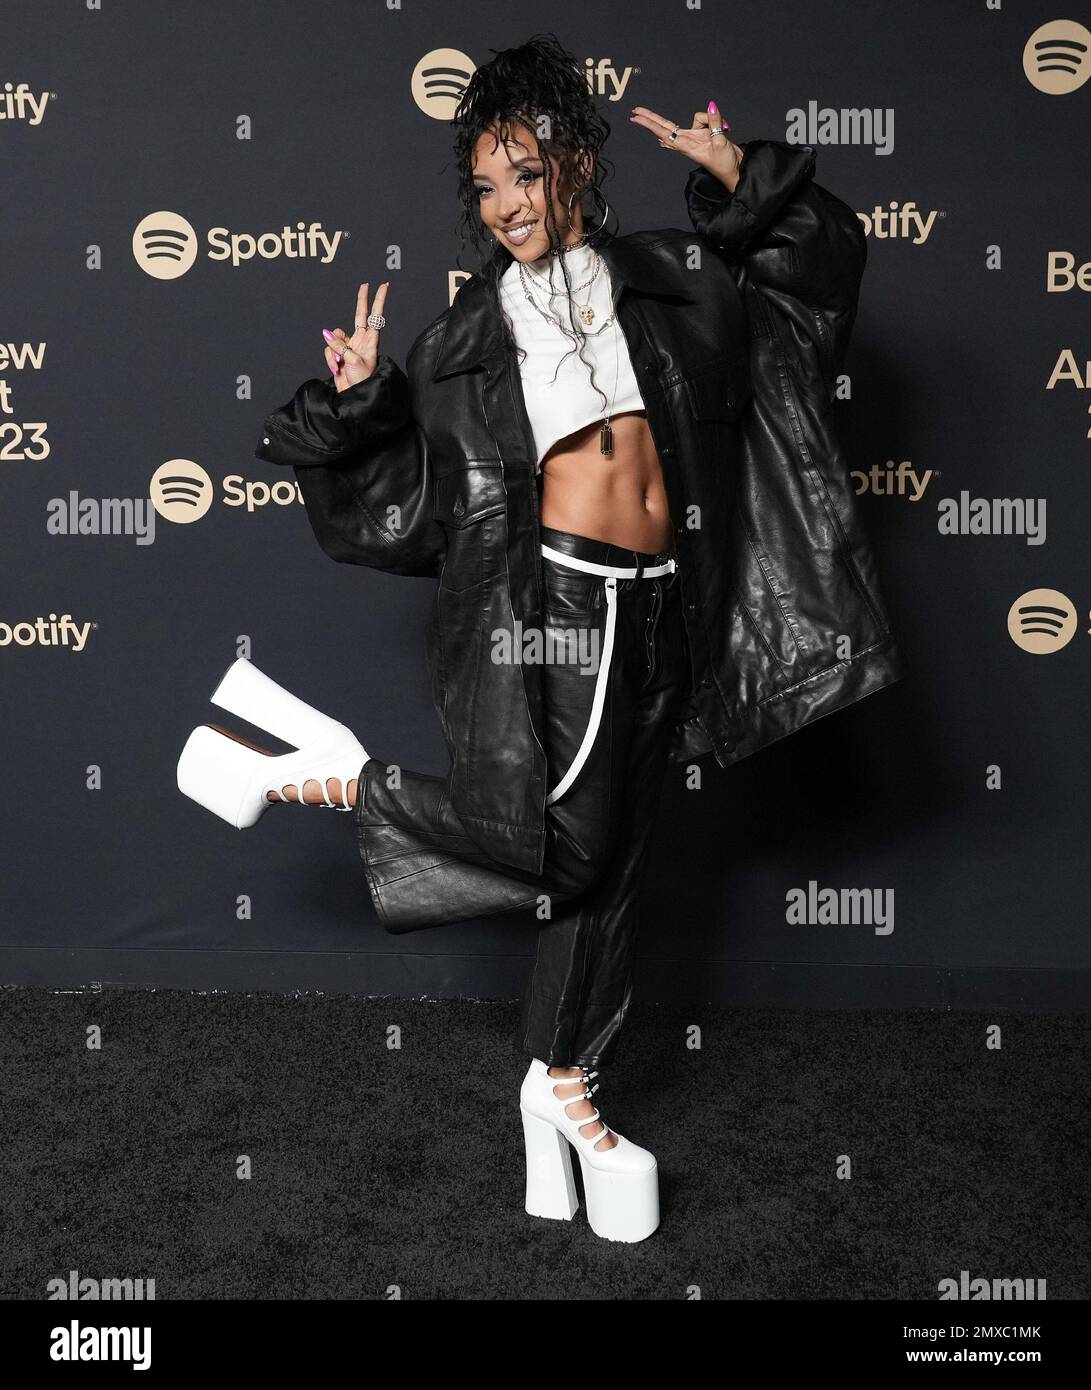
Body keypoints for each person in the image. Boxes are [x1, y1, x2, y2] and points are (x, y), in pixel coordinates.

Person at [177, 34, 906, 1243]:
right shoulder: (463, 347)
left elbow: (808, 297)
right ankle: (305, 771)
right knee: (566, 850)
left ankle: (558, 1087)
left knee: (614, 862)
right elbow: (406, 519)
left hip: (673, 599)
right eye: (487, 185)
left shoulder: (673, 278)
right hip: (560, 613)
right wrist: (362, 404)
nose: (508, 204)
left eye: (527, 172)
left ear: (573, 162)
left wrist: (744, 181)